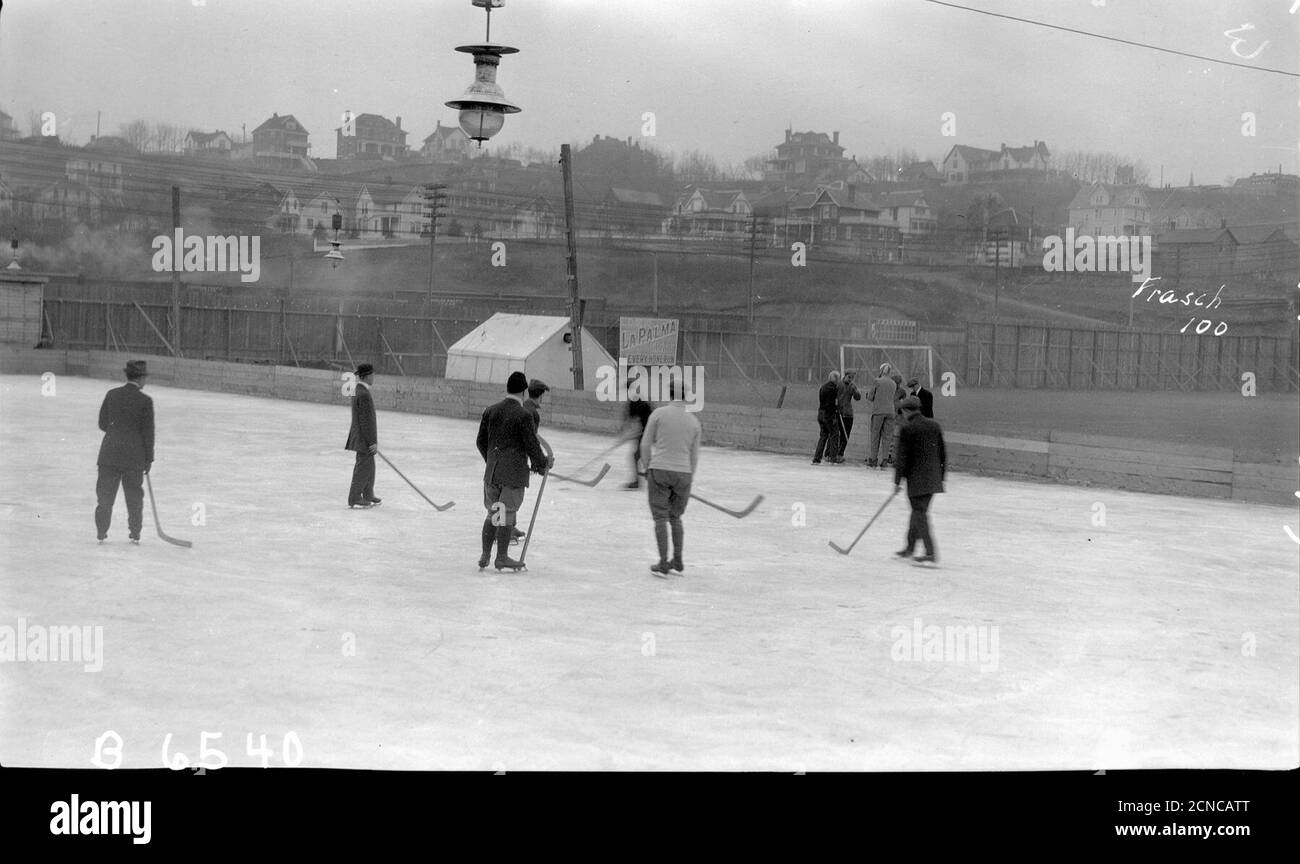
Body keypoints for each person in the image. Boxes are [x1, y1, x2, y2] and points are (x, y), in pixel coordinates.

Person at [476, 371, 550, 570]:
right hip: (512, 475)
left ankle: (485, 554)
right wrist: (542, 464)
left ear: (507, 388)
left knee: (493, 514)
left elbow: (480, 442)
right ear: (524, 391)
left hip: (492, 473)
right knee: (506, 515)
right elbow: (532, 446)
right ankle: (501, 557)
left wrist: (492, 460)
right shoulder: (524, 415)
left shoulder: (490, 410)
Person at [640, 376, 702, 576]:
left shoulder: (659, 414)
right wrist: (688, 478)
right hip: (683, 473)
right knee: (676, 517)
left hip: (659, 470)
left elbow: (645, 444)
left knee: (660, 517)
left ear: (670, 394)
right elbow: (694, 455)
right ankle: (677, 560)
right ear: (686, 397)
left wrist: (649, 467)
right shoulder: (694, 422)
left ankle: (663, 562)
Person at [95, 359, 155, 544]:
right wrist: (148, 460)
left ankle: (101, 533)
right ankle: (135, 534)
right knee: (134, 499)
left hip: (109, 455)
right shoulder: (145, 401)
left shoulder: (112, 394)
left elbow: (102, 423)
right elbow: (148, 433)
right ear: (141, 378)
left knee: (105, 498)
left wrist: (117, 433)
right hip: (134, 458)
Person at [893, 395, 946, 565]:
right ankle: (909, 548)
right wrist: (942, 477)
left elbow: (902, 458)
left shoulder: (907, 428)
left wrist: (897, 482)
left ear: (907, 411)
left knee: (919, 513)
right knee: (918, 512)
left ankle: (930, 553)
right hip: (933, 479)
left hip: (917, 480)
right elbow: (943, 454)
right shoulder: (934, 425)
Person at [345, 362, 380, 508]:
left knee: (369, 466)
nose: (374, 377)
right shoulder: (363, 393)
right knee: (363, 467)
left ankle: (368, 493)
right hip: (364, 439)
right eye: (372, 375)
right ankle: (354, 497)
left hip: (362, 437)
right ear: (366, 376)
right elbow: (366, 421)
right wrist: (371, 441)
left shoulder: (358, 390)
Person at [864, 363, 896, 468]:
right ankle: (885, 460)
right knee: (887, 437)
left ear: (881, 370)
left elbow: (870, 397)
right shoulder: (893, 383)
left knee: (875, 435)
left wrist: (867, 395)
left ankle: (873, 459)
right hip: (890, 411)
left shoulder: (877, 381)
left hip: (878, 411)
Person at [623, 385, 655, 489]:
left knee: (638, 456)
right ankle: (649, 479)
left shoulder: (635, 402)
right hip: (647, 432)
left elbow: (634, 420)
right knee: (639, 456)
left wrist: (629, 434)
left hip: (646, 432)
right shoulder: (639, 400)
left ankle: (648, 480)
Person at [811, 370, 841, 465]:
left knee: (823, 436)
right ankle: (833, 458)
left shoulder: (823, 387)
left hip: (821, 413)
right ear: (835, 379)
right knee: (834, 435)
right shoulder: (834, 389)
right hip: (829, 414)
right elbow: (833, 403)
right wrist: (836, 410)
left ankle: (817, 458)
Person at [833, 370, 861, 461]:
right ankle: (832, 454)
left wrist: (855, 391)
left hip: (848, 414)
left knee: (845, 436)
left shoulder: (852, 386)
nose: (850, 379)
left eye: (852, 378)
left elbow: (857, 398)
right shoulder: (838, 385)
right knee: (836, 435)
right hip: (839, 413)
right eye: (849, 377)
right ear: (845, 376)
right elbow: (833, 397)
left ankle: (840, 454)